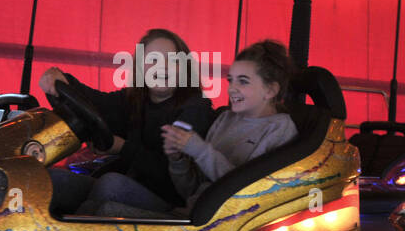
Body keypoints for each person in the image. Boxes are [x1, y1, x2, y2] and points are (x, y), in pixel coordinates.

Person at [81, 40, 299, 218]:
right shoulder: (226, 119)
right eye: (230, 80)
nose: (232, 88)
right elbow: (192, 190)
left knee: (103, 208)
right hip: (191, 213)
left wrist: (200, 150)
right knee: (87, 206)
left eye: (243, 81)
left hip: (219, 227)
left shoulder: (279, 131)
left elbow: (245, 194)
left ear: (270, 90)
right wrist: (178, 161)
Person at [39, 28, 214, 214]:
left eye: (172, 60)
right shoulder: (135, 100)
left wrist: (123, 147)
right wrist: (60, 79)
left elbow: (171, 175)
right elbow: (97, 103)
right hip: (130, 185)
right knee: (52, 180)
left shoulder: (196, 108)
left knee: (111, 184)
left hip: (172, 203)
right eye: (153, 60)